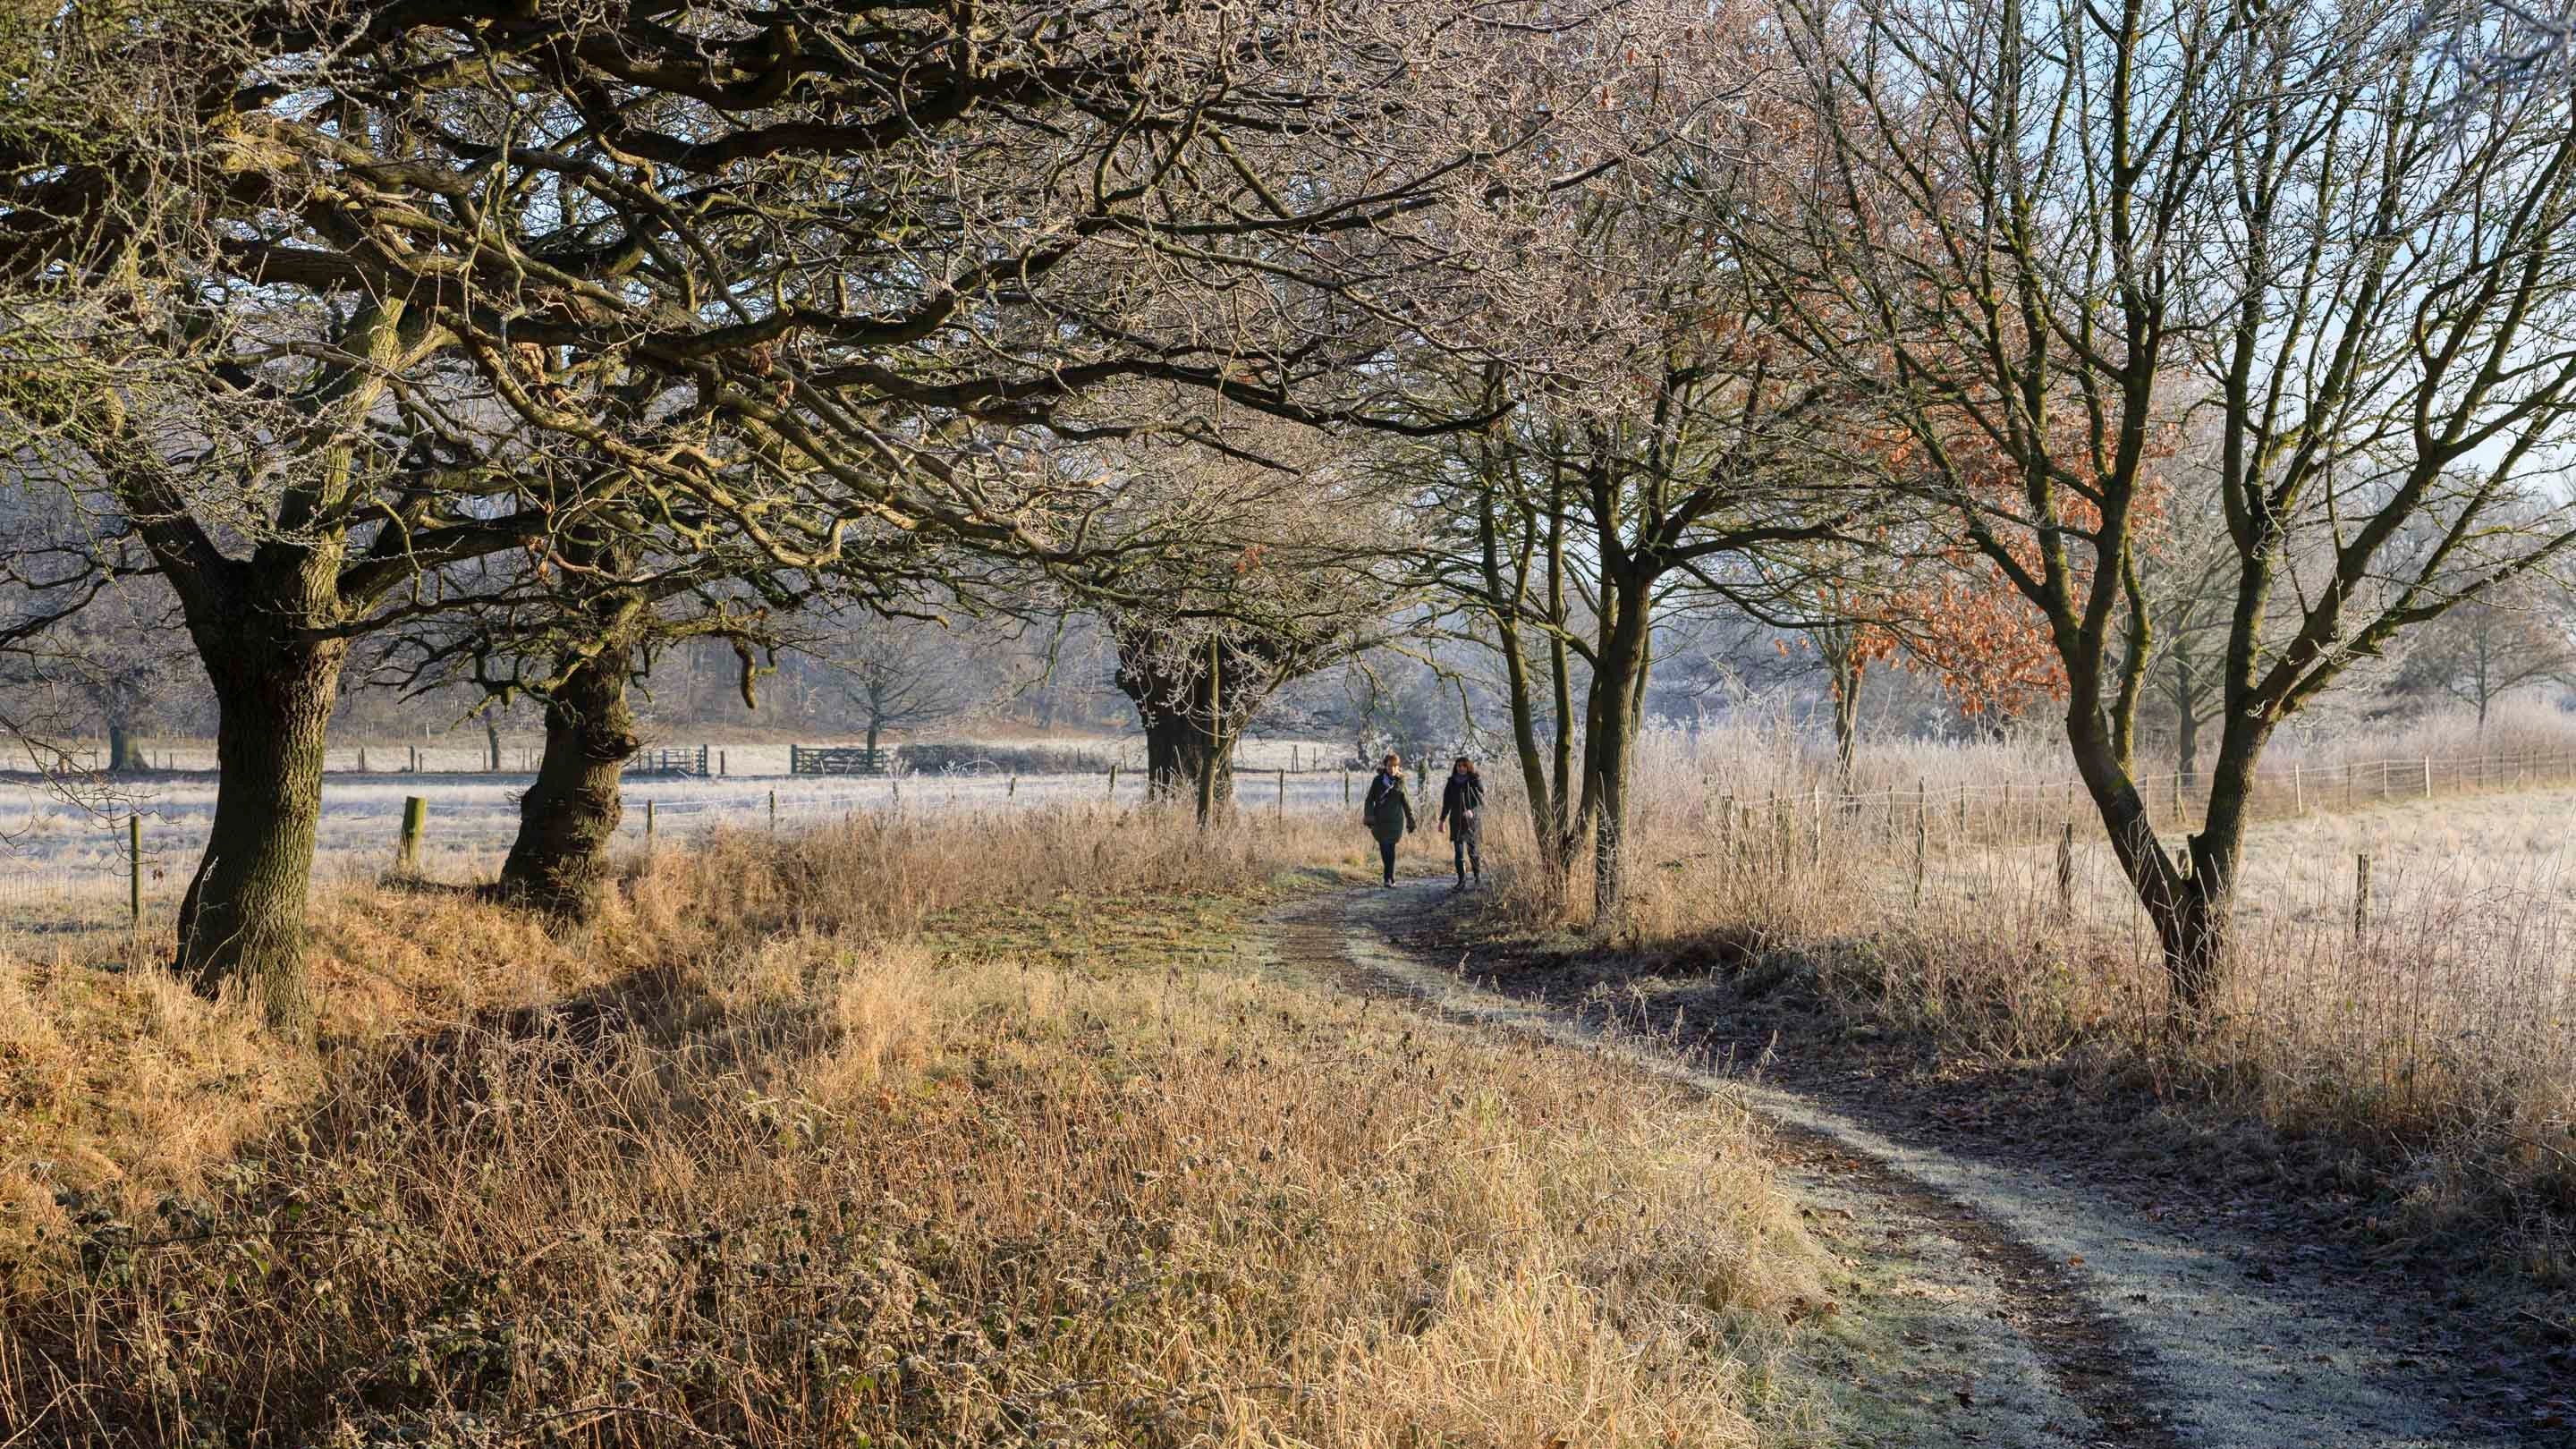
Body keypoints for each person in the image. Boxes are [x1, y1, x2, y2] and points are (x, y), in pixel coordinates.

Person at [1361, 753, 1414, 887]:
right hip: (1380, 821)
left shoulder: (1401, 781)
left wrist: (1411, 820)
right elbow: (1369, 800)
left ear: (1398, 767)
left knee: (1391, 848)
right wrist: (1369, 815)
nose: (1392, 768)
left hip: (1396, 821)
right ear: (1385, 766)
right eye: (1390, 766)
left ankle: (1389, 877)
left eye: (1395, 766)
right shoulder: (1378, 781)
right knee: (1385, 848)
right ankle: (1388, 877)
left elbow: (1406, 802)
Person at [1438, 756, 1484, 888]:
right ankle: (1461, 881)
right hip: (1456, 820)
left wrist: (1472, 811)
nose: (1461, 768)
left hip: (1472, 820)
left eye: (1464, 766)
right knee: (1458, 852)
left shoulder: (1473, 779)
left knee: (1473, 850)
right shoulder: (1451, 782)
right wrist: (1441, 820)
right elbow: (1446, 803)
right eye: (1458, 766)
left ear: (1468, 766)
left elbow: (1480, 798)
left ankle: (1477, 877)